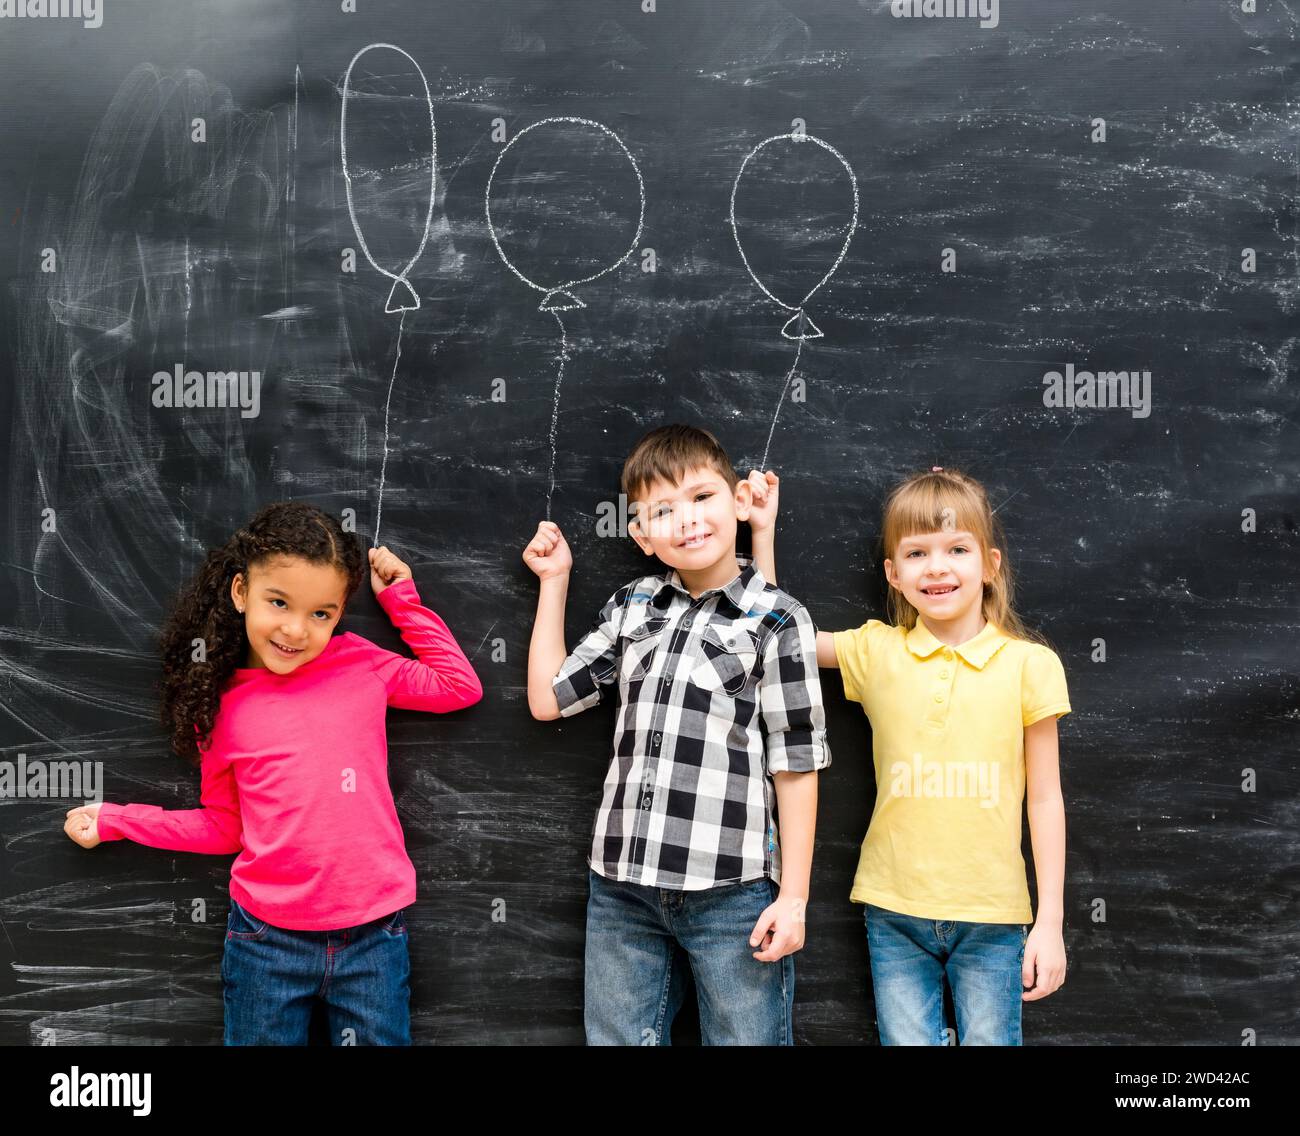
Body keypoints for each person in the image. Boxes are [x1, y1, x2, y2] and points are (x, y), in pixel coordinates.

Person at [64, 501, 483, 1044]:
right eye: (278, 602)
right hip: (266, 941)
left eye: (321, 614)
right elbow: (224, 828)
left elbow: (459, 686)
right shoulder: (220, 708)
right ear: (241, 593)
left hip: (375, 935)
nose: (296, 629)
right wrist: (119, 820)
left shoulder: (360, 664)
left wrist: (401, 601)